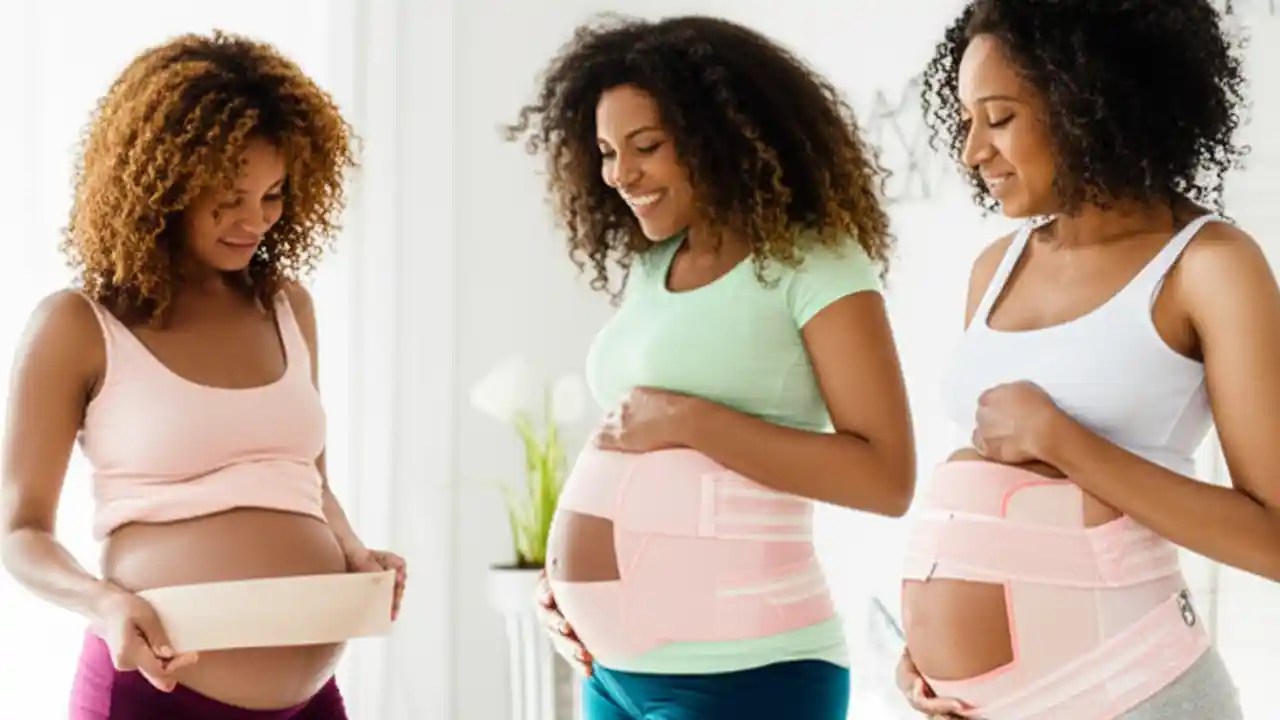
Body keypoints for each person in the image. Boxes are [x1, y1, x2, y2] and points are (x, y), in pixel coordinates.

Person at [507, 13, 916, 720]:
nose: (620, 174)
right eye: (605, 152)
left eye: (647, 146)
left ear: (718, 137)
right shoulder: (651, 265)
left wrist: (691, 421)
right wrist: (568, 584)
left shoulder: (813, 261)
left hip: (747, 673)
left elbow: (886, 477)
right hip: (610, 672)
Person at [0, 31, 406, 719]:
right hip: (151, 696)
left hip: (310, 700)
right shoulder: (79, 326)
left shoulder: (287, 308)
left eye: (273, 194)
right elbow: (20, 532)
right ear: (162, 183)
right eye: (229, 196)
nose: (256, 221)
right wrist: (105, 604)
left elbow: (308, 482)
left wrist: (356, 556)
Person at [896, 1, 1272, 717]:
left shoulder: (1207, 266)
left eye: (999, 118)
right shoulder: (994, 268)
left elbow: (1276, 538)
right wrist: (925, 653)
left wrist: (1062, 441)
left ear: (1090, 101)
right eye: (967, 120)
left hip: (1132, 690)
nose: (973, 151)